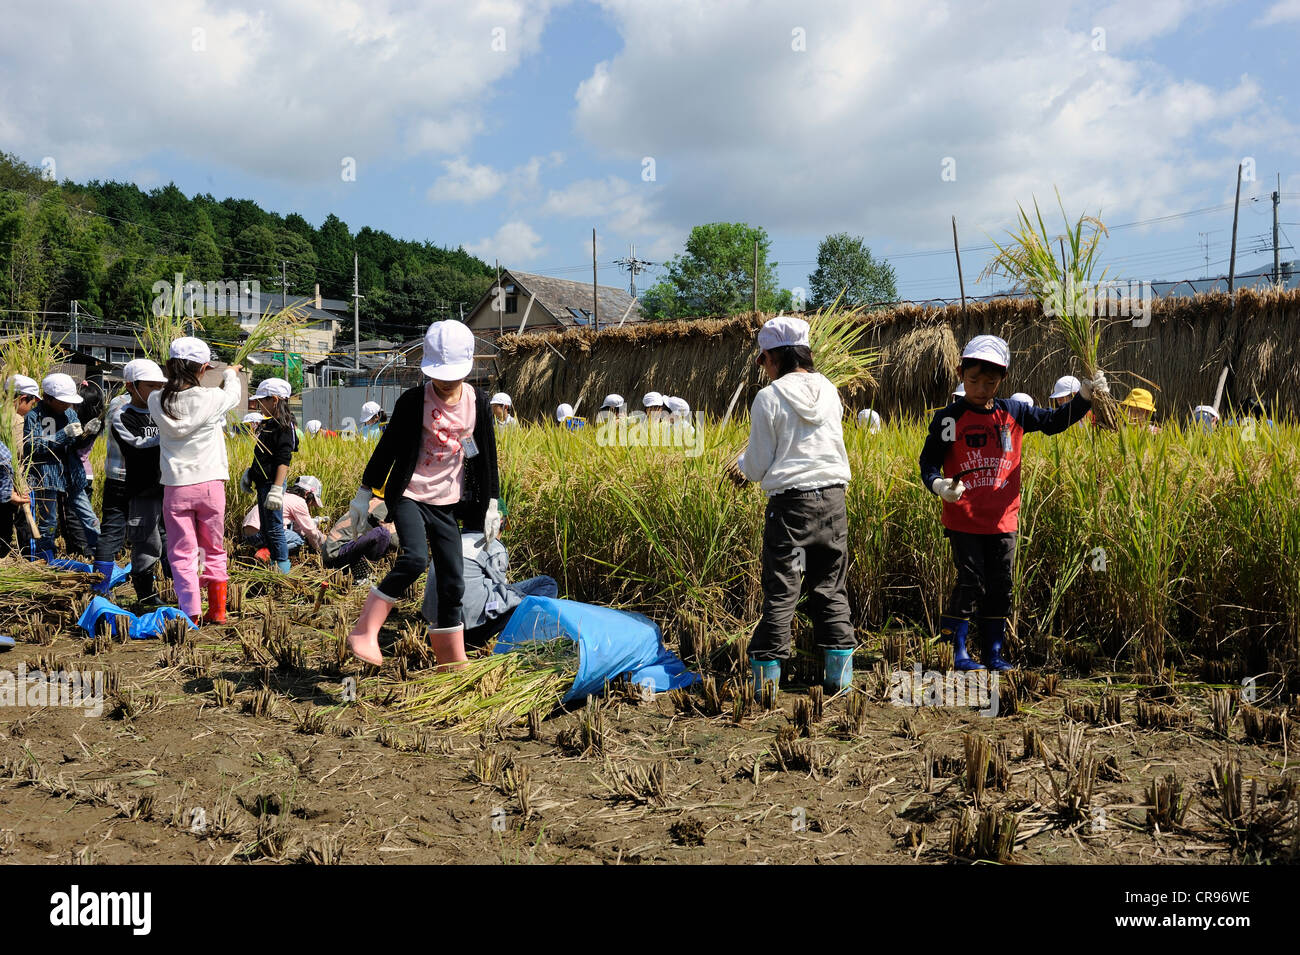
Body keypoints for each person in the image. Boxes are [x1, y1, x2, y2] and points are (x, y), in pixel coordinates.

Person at [919, 335, 1105, 671]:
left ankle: (993, 653)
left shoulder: (1013, 413)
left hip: (1003, 519)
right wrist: (938, 485)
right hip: (964, 518)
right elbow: (928, 462)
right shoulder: (950, 419)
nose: (981, 387)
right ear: (961, 374)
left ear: (1002, 379)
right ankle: (955, 650)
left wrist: (1083, 399)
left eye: (990, 381)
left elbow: (1052, 423)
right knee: (970, 580)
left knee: (1001, 585)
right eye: (973, 380)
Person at [344, 320, 501, 669]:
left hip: (449, 502)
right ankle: (365, 631)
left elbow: (486, 456)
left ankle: (449, 658)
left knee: (453, 578)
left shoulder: (479, 403)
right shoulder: (414, 401)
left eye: (453, 374)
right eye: (440, 374)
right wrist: (364, 491)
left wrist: (493, 503)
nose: (446, 381)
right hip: (410, 494)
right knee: (414, 559)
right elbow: (386, 449)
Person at [733, 316, 855, 695]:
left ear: (774, 357)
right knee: (830, 587)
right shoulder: (831, 390)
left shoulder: (768, 398)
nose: (764, 367)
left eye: (764, 359)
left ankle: (767, 685)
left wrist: (739, 465)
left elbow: (755, 467)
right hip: (833, 502)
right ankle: (839, 680)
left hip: (790, 508)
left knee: (783, 588)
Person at [149, 337, 242, 624]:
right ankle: (218, 611)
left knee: (182, 553)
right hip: (211, 485)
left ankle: (192, 612)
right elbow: (234, 396)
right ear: (203, 368)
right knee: (213, 548)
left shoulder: (156, 399)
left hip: (176, 488)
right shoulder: (212, 398)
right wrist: (230, 374)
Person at [95, 359, 170, 605]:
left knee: (152, 535)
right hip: (122, 480)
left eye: (160, 386)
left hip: (150, 484)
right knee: (113, 533)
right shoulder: (121, 411)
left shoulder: (159, 410)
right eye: (151, 386)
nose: (157, 391)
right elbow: (138, 445)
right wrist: (169, 436)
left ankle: (150, 592)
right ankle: (101, 590)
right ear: (131, 386)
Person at [422, 534, 558, 647]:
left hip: (440, 622)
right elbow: (499, 585)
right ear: (497, 521)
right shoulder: (491, 544)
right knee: (547, 585)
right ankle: (515, 640)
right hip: (470, 627)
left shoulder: (451, 538)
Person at [23, 372, 84, 562]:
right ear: (48, 398)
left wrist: (87, 435)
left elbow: (77, 443)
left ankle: (84, 550)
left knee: (78, 515)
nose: (67, 405)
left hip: (69, 473)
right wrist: (62, 435)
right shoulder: (35, 416)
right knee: (48, 520)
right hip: (45, 476)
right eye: (62, 401)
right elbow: (32, 446)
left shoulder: (70, 413)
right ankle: (44, 557)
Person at [239, 377, 297, 573]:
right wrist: (251, 473)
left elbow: (283, 459)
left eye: (261, 401)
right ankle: (273, 562)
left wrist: (276, 488)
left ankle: (282, 568)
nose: (258, 405)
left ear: (274, 399)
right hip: (263, 483)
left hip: (272, 484)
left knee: (274, 527)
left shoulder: (284, 425)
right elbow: (263, 456)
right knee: (266, 527)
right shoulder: (268, 424)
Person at [60, 379, 104, 557]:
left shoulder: (82, 427)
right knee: (86, 514)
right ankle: (94, 548)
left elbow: (70, 448)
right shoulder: (94, 425)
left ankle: (83, 552)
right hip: (88, 474)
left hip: (74, 476)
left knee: (72, 516)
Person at [242, 474, 325, 560]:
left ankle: (262, 549)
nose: (310, 505)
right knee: (299, 540)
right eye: (312, 502)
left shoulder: (283, 494)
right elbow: (310, 531)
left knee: (291, 529)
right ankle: (267, 552)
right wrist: (320, 547)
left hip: (247, 535)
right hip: (261, 534)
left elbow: (298, 528)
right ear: (307, 494)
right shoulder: (299, 502)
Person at [2, 375, 39, 557]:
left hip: (5, 485)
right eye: (32, 404)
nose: (31, 409)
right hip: (14, 484)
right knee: (21, 524)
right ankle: (28, 559)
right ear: (23, 399)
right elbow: (17, 454)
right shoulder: (16, 419)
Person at [322, 494, 394, 576]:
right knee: (383, 533)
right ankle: (362, 575)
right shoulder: (382, 506)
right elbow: (395, 540)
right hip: (336, 555)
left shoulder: (369, 502)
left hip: (329, 553)